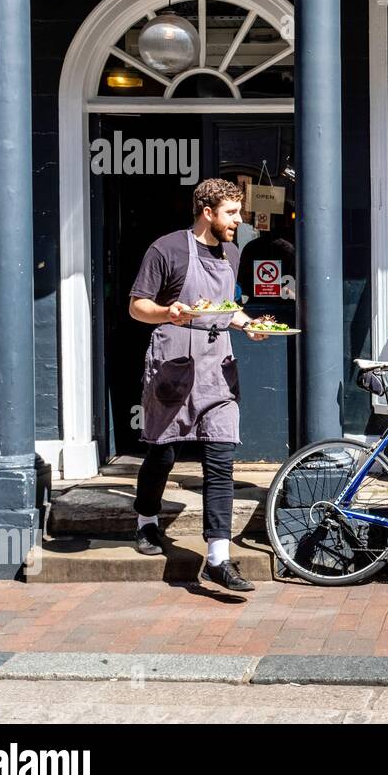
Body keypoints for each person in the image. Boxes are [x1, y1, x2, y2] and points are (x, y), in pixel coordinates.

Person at [128, 178, 270, 591]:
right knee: (162, 454)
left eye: (238, 212)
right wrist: (167, 313)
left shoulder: (232, 252)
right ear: (207, 212)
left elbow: (226, 309)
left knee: (221, 460)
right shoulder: (167, 249)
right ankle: (147, 520)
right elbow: (137, 306)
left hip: (216, 370)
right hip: (173, 364)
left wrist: (249, 326)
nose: (238, 220)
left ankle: (218, 557)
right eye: (231, 213)